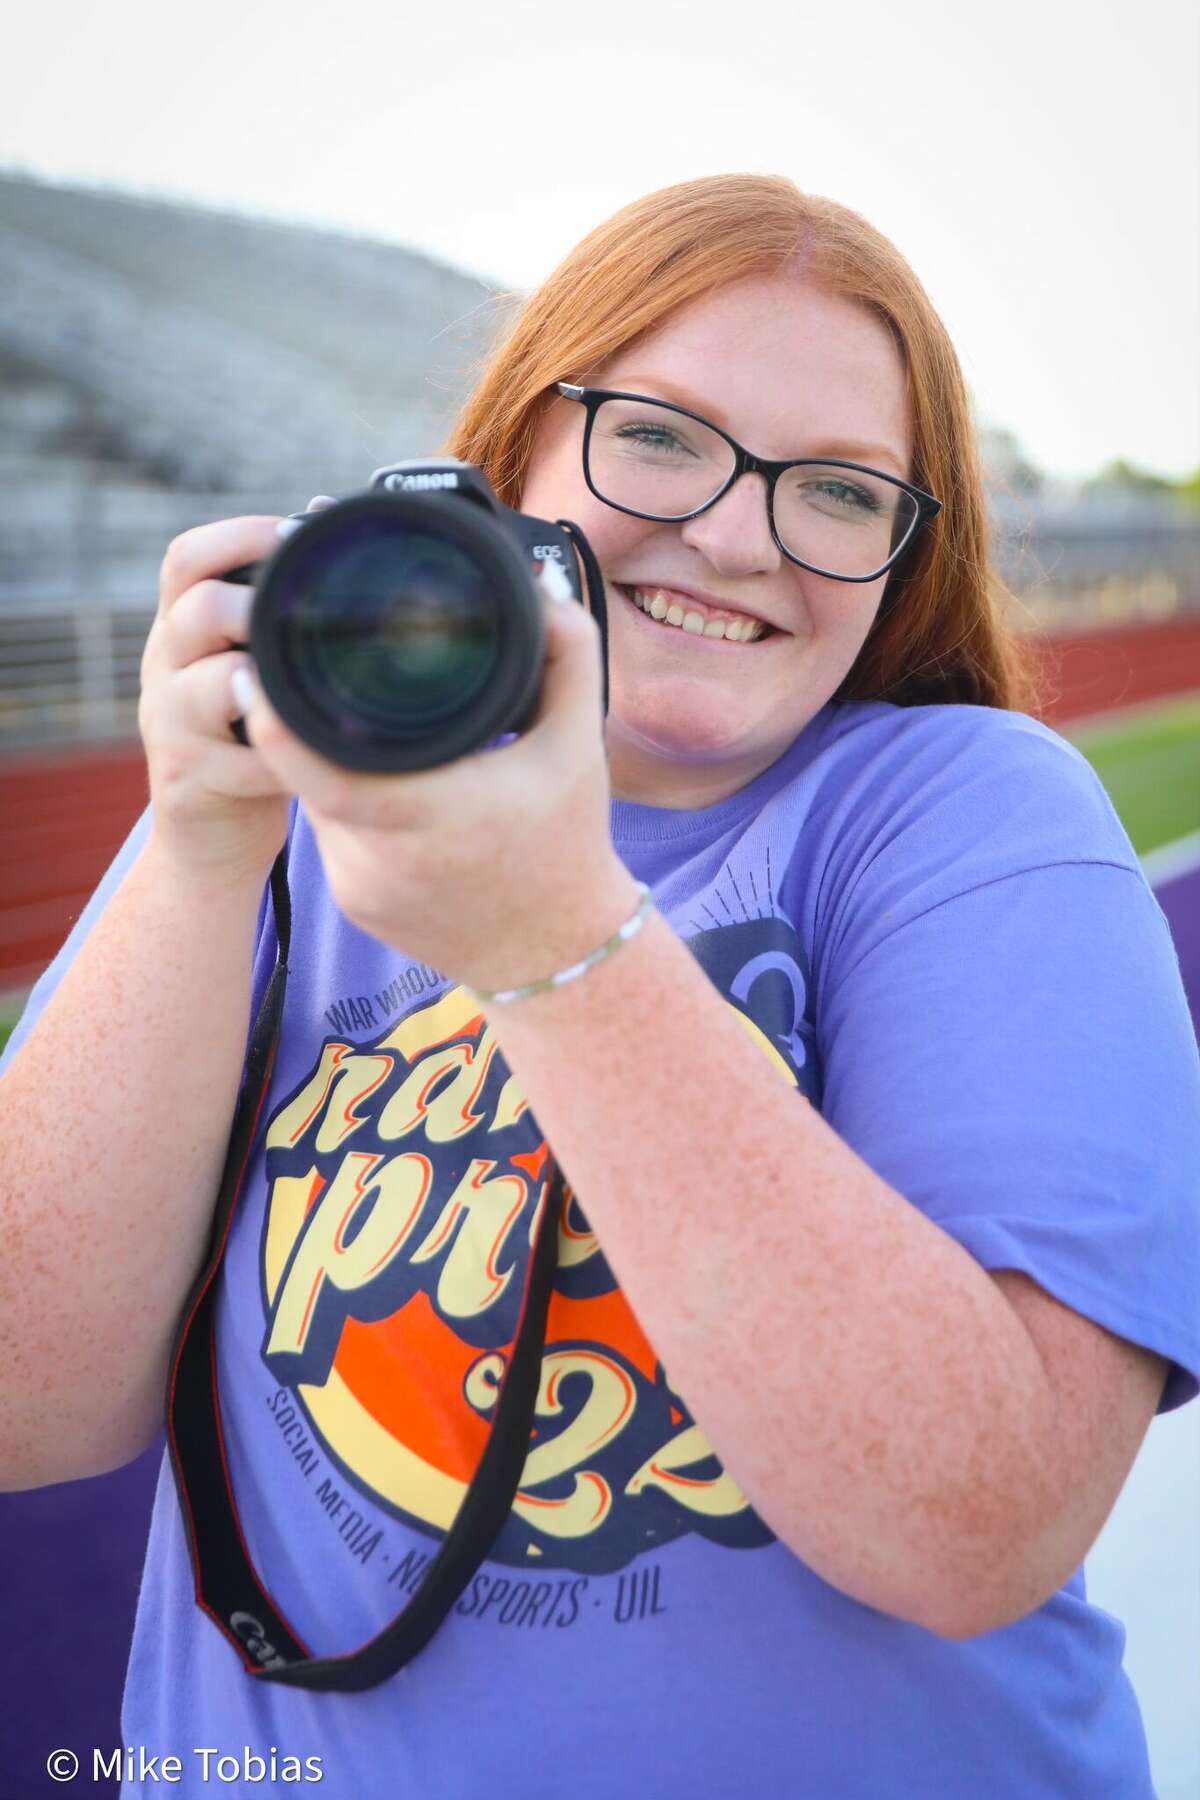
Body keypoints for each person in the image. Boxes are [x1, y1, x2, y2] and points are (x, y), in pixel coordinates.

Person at [1, 172, 1197, 1798]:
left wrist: (554, 945)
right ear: (518, 450)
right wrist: (205, 844)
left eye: (841, 492)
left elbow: (975, 1523)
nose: (731, 528)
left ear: (909, 556)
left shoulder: (967, 809)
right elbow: (26, 1403)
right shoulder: (283, 812)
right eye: (657, 433)